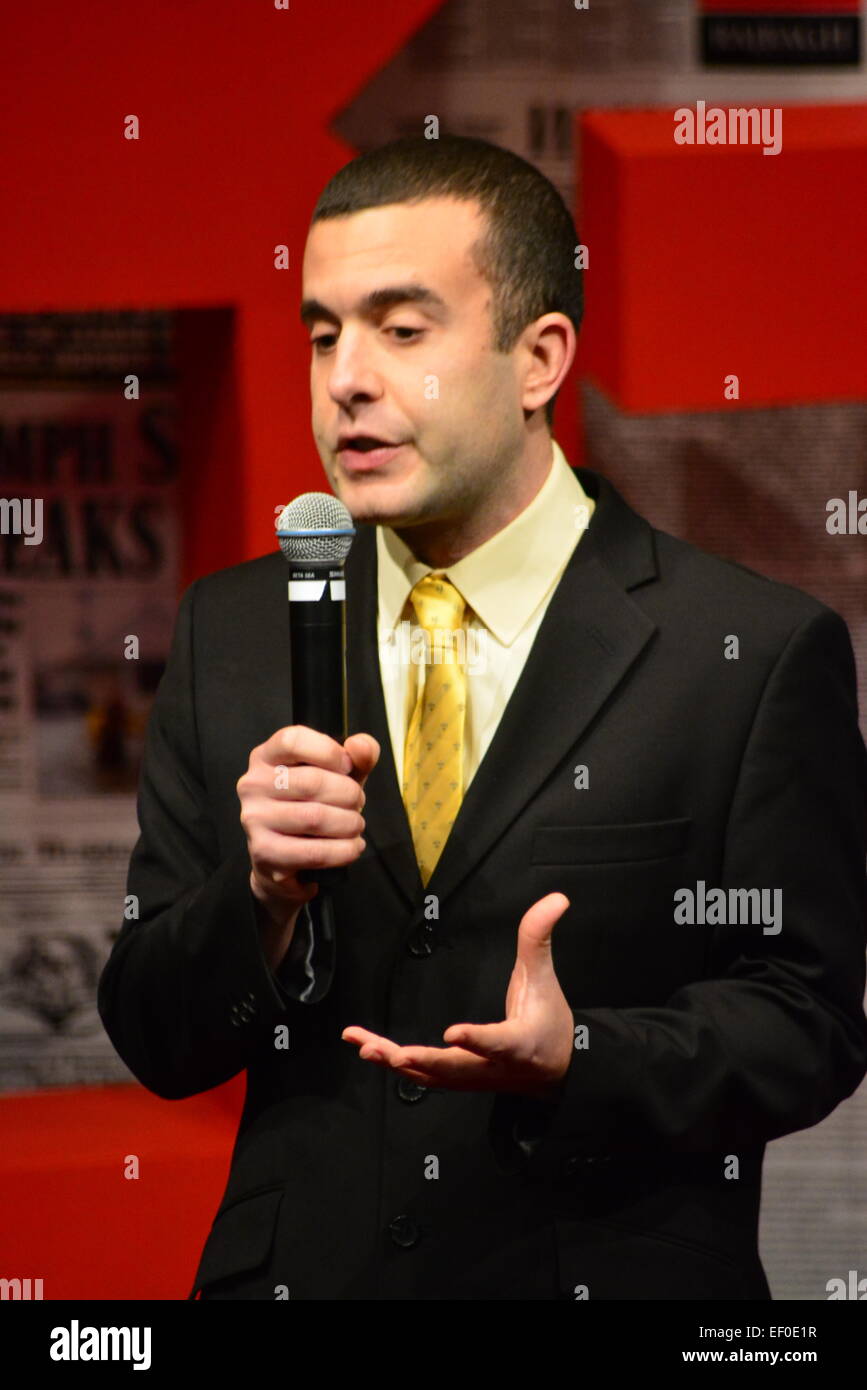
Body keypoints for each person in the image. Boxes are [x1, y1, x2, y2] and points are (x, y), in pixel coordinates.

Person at [97, 134, 867, 1301]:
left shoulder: (749, 651)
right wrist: (252, 901)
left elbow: (808, 1018)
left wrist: (586, 1056)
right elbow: (156, 1032)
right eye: (323, 333)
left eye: (402, 331)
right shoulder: (238, 629)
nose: (346, 376)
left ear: (539, 356)